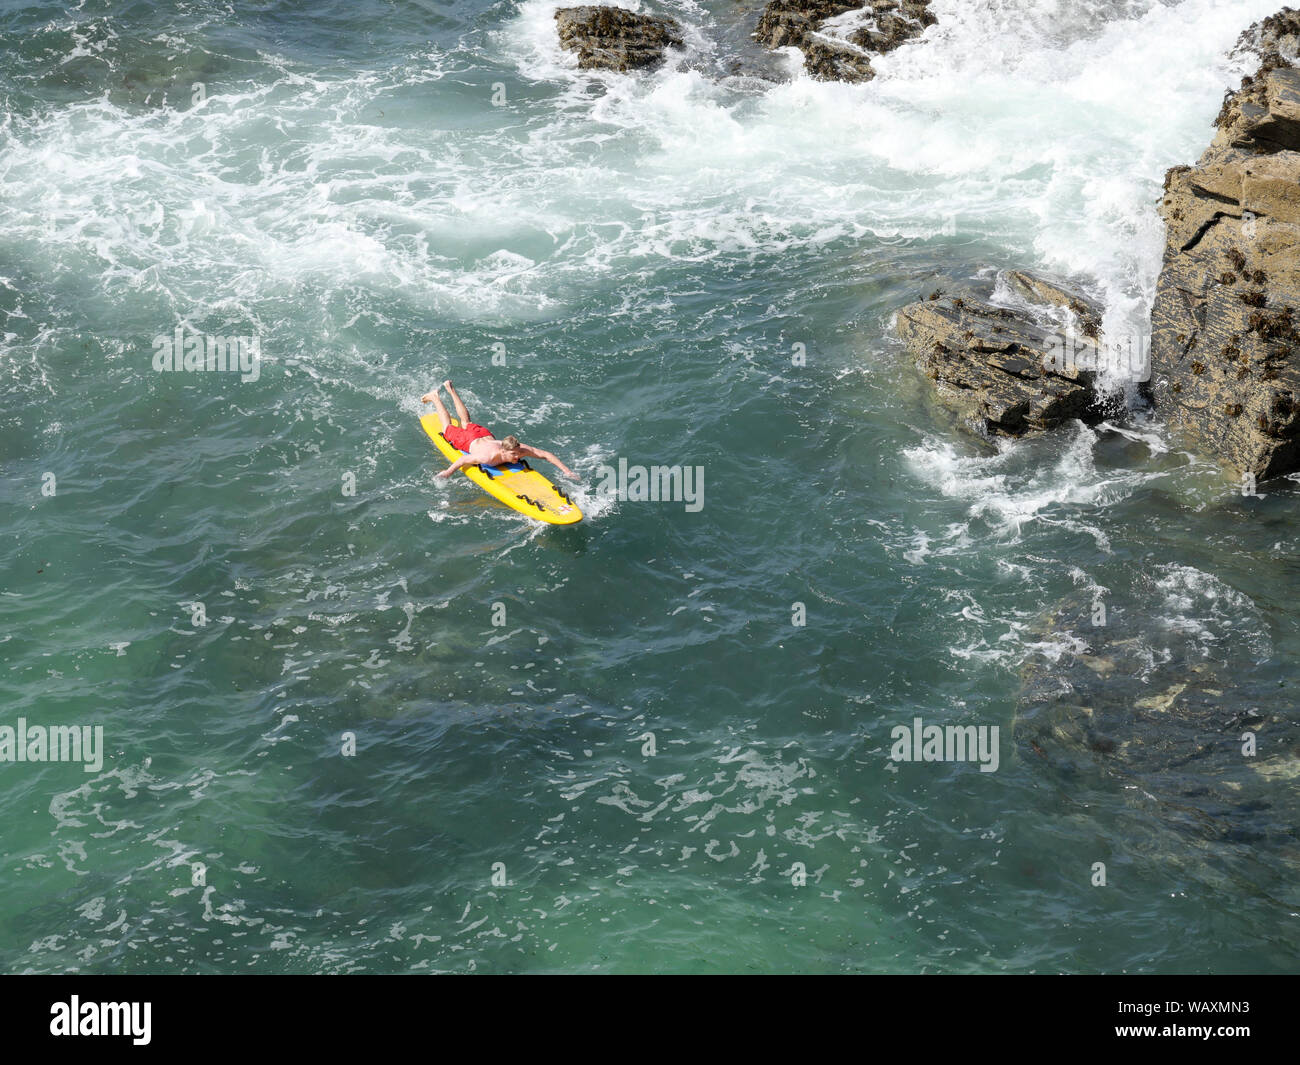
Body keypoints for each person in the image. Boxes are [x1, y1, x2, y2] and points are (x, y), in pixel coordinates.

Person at [421, 380, 578, 481]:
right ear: (503, 450)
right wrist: (447, 473)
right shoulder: (487, 457)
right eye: (513, 454)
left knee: (466, 421)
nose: (517, 456)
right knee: (447, 427)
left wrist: (566, 471)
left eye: (517, 453)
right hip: (471, 440)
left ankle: (451, 389)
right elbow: (463, 460)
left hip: (484, 435)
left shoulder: (519, 450)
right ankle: (435, 397)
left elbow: (545, 454)